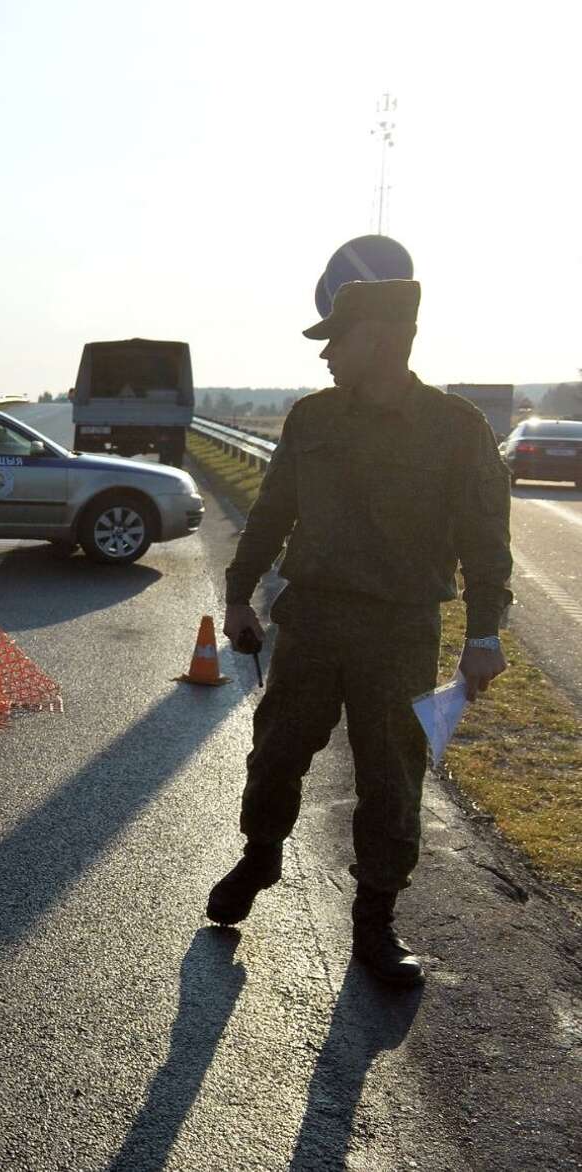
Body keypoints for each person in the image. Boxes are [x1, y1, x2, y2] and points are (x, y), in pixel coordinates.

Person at [210, 279, 512, 986]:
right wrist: (239, 595)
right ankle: (261, 856)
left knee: (391, 776)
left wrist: (484, 636)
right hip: (313, 620)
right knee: (276, 752)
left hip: (400, 632)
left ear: (377, 339)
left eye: (336, 341)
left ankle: (375, 920)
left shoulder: (456, 427)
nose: (326, 357)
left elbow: (485, 541)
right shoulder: (312, 417)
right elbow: (273, 511)